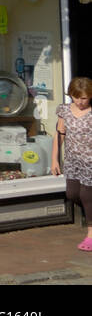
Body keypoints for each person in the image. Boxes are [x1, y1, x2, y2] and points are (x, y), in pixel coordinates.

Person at [53, 77, 92, 251]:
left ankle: (91, 235)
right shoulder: (64, 110)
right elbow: (60, 134)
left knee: (86, 195)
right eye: (77, 97)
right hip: (72, 160)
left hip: (90, 161)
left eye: (84, 98)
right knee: (72, 193)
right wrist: (55, 159)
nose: (80, 102)